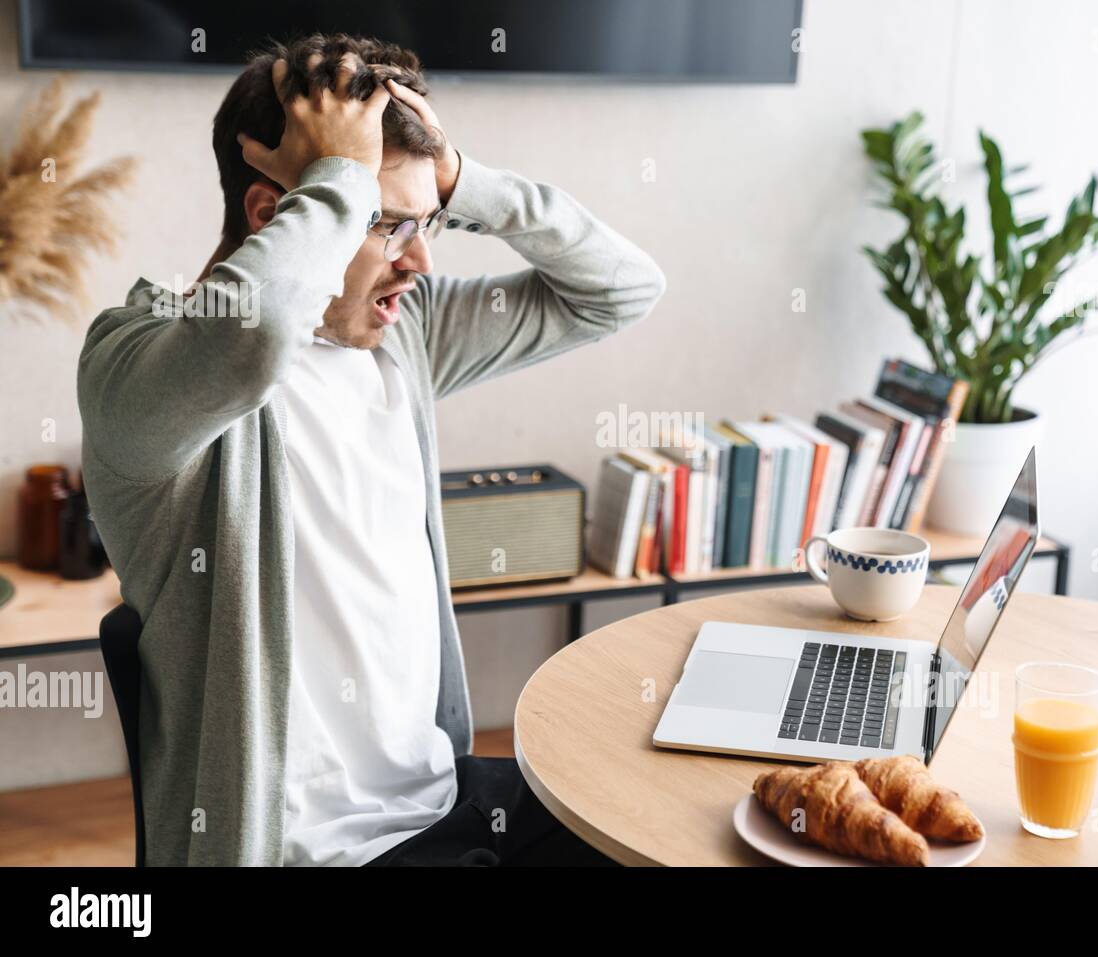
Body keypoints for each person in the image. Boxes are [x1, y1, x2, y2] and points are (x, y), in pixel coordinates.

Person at [78, 33, 665, 866]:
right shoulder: (133, 368)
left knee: (667, 834)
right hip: (307, 852)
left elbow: (623, 290)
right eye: (387, 226)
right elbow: (254, 339)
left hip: (441, 800)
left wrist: (464, 181)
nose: (420, 261)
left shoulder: (401, 336)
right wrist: (339, 187)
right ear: (274, 215)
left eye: (427, 225)